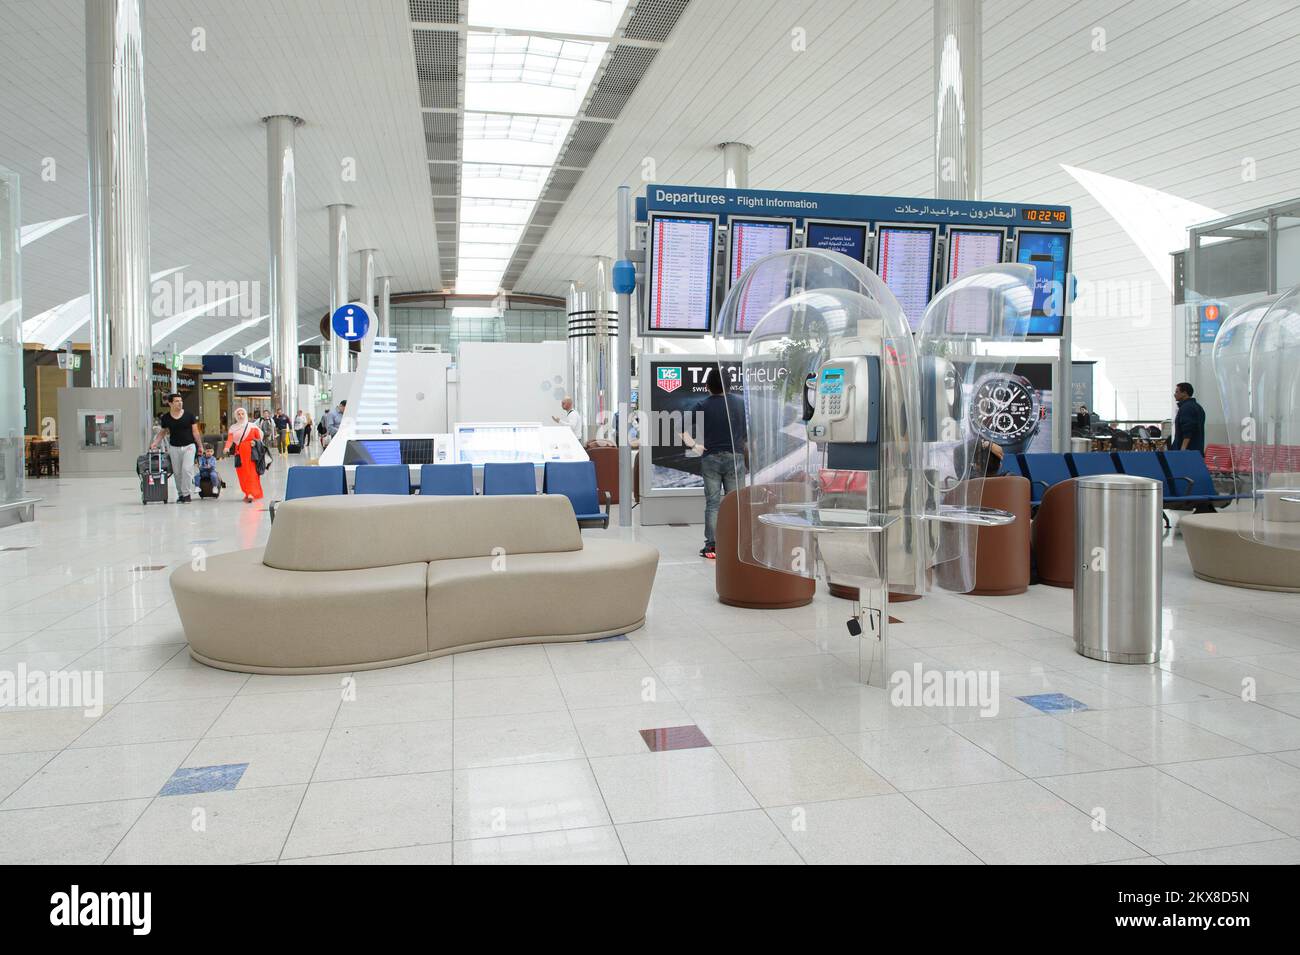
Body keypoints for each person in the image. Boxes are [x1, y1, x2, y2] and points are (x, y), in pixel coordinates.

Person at [684, 366, 746, 559]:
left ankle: (712, 546)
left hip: (710, 458)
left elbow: (680, 425)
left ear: (707, 386)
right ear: (730, 385)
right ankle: (736, 543)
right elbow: (748, 431)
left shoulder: (703, 404)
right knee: (735, 502)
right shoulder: (740, 403)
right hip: (735, 457)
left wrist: (694, 446)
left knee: (713, 504)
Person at [149, 393, 203, 504]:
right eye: (177, 401)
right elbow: (163, 432)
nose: (180, 403)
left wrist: (200, 446)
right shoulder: (166, 418)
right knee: (177, 472)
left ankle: (187, 494)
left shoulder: (189, 415)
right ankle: (181, 495)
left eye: (181, 401)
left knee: (187, 470)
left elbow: (195, 432)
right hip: (174, 447)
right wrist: (155, 443)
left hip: (189, 446)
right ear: (170, 403)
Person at [224, 407, 265, 503]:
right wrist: (227, 447)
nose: (241, 416)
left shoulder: (252, 426)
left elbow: (259, 439)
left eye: (242, 414)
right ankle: (247, 492)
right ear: (236, 416)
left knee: (251, 473)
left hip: (251, 453)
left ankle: (252, 493)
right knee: (242, 474)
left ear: (245, 415)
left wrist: (254, 442)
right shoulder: (233, 428)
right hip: (239, 453)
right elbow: (230, 439)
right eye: (238, 414)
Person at [1172, 382, 1206, 455]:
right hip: (1196, 451)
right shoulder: (1198, 407)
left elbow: (1188, 432)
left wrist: (1182, 450)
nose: (1174, 394)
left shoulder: (1186, 408)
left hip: (1188, 452)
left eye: (1177, 392)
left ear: (1184, 393)